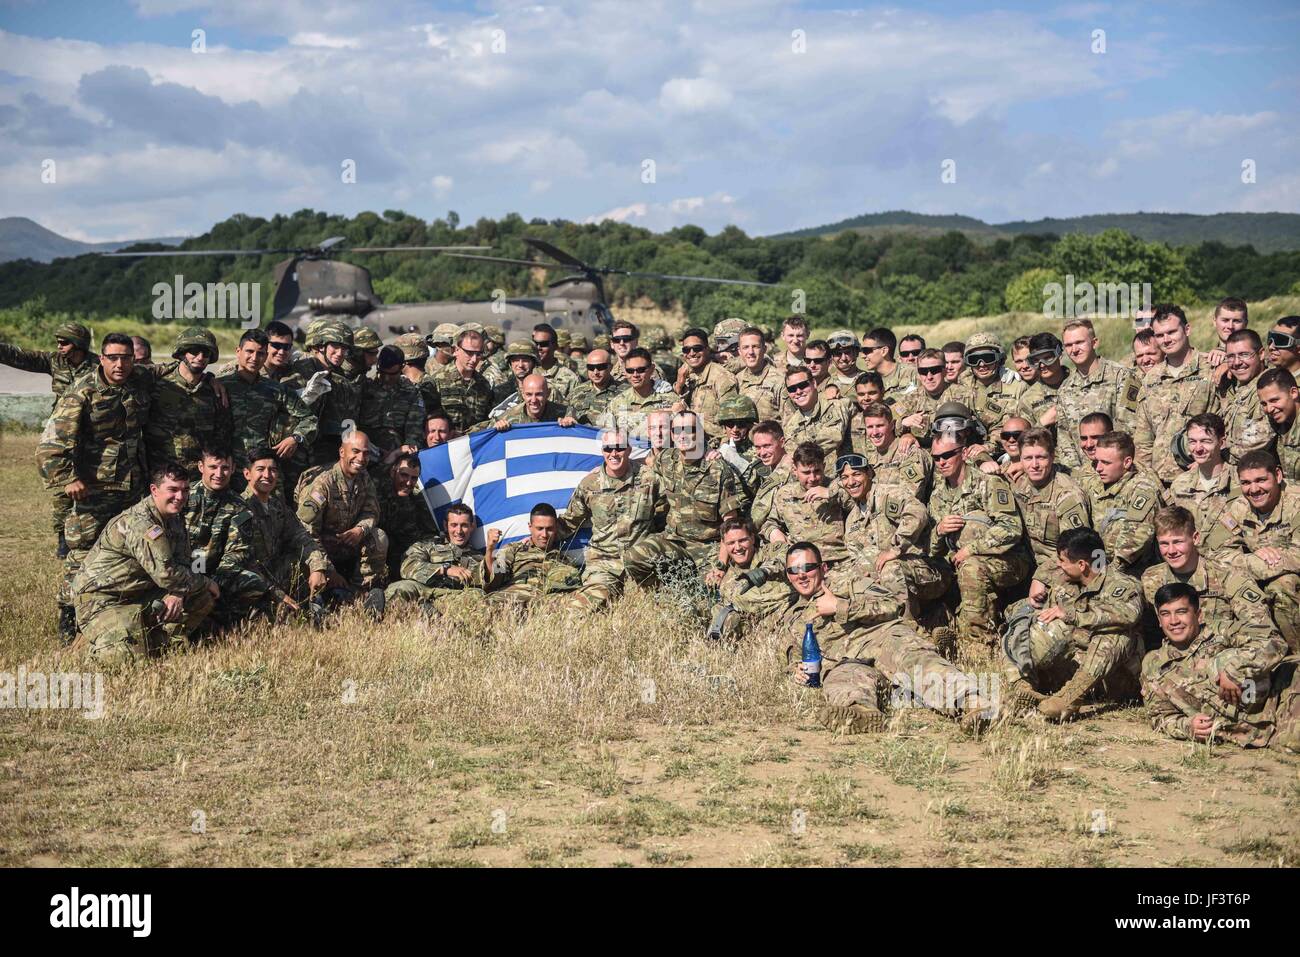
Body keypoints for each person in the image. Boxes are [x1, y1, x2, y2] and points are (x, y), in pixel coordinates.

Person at [778, 542, 997, 734]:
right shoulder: (793, 616)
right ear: (788, 575)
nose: (801, 575)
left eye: (808, 567)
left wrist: (840, 606)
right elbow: (794, 655)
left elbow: (892, 605)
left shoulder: (848, 584)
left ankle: (975, 704)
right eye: (794, 570)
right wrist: (796, 669)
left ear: (823, 568)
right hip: (847, 661)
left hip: (883, 640)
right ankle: (862, 714)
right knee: (840, 682)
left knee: (917, 665)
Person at [37, 332, 152, 640]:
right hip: (95, 490)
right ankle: (69, 618)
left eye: (126, 358)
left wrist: (213, 381)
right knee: (82, 554)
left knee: (129, 551)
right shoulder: (82, 392)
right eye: (113, 358)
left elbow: (174, 370)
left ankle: (115, 612)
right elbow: (50, 446)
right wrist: (67, 479)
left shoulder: (139, 380)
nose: (120, 364)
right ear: (101, 359)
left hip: (133, 489)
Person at [72, 462, 219, 664]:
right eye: (173, 490)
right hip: (103, 599)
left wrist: (177, 592)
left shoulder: (174, 518)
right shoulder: (141, 524)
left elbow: (183, 561)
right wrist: (203, 581)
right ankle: (87, 647)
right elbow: (167, 574)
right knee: (128, 661)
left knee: (203, 597)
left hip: (140, 593)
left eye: (185, 490)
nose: (180, 497)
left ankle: (159, 642)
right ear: (154, 490)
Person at [1000, 528, 1143, 721]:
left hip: (1113, 678)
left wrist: (1072, 615)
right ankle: (1023, 688)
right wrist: (1030, 607)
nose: (1058, 566)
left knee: (1118, 634)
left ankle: (1069, 699)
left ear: (1082, 565)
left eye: (1062, 561)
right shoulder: (1064, 583)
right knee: (1018, 628)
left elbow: (1127, 615)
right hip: (1068, 668)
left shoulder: (1123, 585)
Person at [1141, 583, 1297, 752]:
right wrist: (1187, 726)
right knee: (1292, 743)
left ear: (1198, 615)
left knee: (1224, 659)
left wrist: (1234, 670)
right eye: (1165, 614)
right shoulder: (1154, 664)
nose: (1174, 621)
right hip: (1243, 732)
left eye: (1181, 612)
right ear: (1159, 620)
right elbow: (1160, 717)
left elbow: (1274, 642)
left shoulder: (1222, 630)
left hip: (1280, 702)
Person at [927, 430, 1030, 652]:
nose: (942, 462)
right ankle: (942, 628)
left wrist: (972, 549)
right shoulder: (937, 496)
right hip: (957, 562)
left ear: (963, 453)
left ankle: (979, 643)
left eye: (947, 455)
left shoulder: (989, 484)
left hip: (1009, 560)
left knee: (972, 567)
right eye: (936, 458)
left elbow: (1011, 528)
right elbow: (932, 548)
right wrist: (939, 530)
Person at [0, 321, 97, 553]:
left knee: (92, 483)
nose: (59, 346)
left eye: (64, 342)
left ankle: (91, 535)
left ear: (79, 344)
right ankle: (63, 538)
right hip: (63, 434)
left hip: (93, 432)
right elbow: (19, 356)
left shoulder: (97, 365)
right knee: (62, 484)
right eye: (58, 342)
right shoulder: (55, 361)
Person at [624, 411, 742, 584]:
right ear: (672, 434)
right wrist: (603, 467)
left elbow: (730, 524)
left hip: (707, 548)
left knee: (709, 590)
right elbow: (643, 463)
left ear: (700, 433)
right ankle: (665, 591)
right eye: (678, 430)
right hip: (673, 541)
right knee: (633, 558)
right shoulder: (667, 459)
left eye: (690, 430)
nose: (683, 435)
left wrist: (720, 566)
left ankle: (688, 585)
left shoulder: (718, 470)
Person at [218, 448, 332, 625]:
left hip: (275, 574)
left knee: (303, 559)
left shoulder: (276, 506)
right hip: (253, 583)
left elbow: (301, 537)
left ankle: (314, 610)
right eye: (261, 469)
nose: (267, 475)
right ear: (247, 474)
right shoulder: (240, 510)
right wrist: (277, 594)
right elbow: (241, 563)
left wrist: (318, 567)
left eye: (272, 470)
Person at [835, 452, 948, 626]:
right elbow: (856, 558)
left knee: (890, 568)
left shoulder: (887, 494)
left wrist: (895, 549)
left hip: (928, 570)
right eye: (845, 477)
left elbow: (917, 513)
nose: (851, 482)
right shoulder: (852, 520)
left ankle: (911, 631)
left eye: (857, 474)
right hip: (888, 581)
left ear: (870, 473)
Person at [1141, 506, 1274, 651]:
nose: (1171, 551)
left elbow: (1259, 626)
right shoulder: (1151, 579)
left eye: (1178, 542)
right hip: (1177, 661)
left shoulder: (1226, 574)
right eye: (1164, 544)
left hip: (1221, 655)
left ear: (1195, 538)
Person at [1213, 450, 1300, 653]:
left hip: (1290, 583)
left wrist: (1251, 564)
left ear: (1277, 475)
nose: (1254, 489)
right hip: (1259, 574)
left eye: (1261, 480)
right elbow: (1217, 553)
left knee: (1282, 585)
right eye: (1245, 483)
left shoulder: (1296, 503)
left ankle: (1295, 657)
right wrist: (1251, 559)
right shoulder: (1239, 507)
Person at [558, 430, 654, 612]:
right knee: (585, 607)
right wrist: (534, 539)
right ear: (602, 451)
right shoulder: (590, 484)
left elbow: (669, 508)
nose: (613, 453)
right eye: (608, 449)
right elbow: (569, 522)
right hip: (604, 563)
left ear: (629, 450)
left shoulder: (649, 478)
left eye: (619, 448)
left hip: (641, 561)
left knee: (662, 605)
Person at [295, 430, 388, 615]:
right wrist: (328, 569)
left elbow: (371, 510)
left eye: (366, 452)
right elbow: (306, 533)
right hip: (318, 550)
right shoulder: (322, 484)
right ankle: (316, 600)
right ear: (342, 452)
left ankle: (358, 595)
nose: (361, 458)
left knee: (378, 537)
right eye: (355, 451)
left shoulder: (364, 477)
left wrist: (360, 530)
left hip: (346, 545)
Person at [217, 328, 316, 478]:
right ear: (238, 351)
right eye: (249, 351)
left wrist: (296, 438)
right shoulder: (220, 386)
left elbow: (309, 419)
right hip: (227, 470)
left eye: (261, 353)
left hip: (264, 471)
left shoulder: (276, 390)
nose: (254, 358)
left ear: (266, 355)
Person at [1134, 305, 1214, 486]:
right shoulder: (1151, 379)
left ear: (1187, 329)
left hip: (1201, 479)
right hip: (1160, 481)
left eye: (1171, 332)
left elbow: (1224, 424)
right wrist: (1147, 480)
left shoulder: (1210, 369)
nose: (1166, 339)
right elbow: (1143, 440)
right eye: (1160, 335)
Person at [1011, 428, 1091, 609]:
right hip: (1026, 560)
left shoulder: (1067, 494)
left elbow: (1074, 549)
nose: (1034, 465)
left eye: (1041, 457)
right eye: (1028, 458)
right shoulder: (1019, 483)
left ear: (1053, 457)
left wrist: (1042, 577)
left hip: (1061, 567)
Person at [144, 327, 234, 476]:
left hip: (197, 477)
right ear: (181, 352)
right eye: (194, 351)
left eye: (205, 353)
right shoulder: (157, 384)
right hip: (160, 474)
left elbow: (222, 436)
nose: (200, 357)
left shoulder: (215, 392)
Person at [1055, 319, 1142, 470]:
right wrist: (1077, 475)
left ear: (1094, 343)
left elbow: (1128, 429)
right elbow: (1065, 439)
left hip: (1116, 470)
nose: (1074, 349)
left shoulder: (1121, 377)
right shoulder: (1065, 389)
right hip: (1082, 476)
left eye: (1080, 342)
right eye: (1068, 345)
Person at [762, 441, 852, 564]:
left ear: (824, 466)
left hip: (839, 561)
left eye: (817, 471)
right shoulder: (785, 494)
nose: (812, 478)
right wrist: (774, 533)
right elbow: (770, 523)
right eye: (806, 473)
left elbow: (859, 506)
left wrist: (831, 493)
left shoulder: (838, 486)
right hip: (803, 564)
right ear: (795, 470)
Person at [1087, 431, 1161, 576]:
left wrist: (1109, 575)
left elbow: (1136, 538)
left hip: (1132, 573)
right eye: (1097, 461)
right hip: (1101, 566)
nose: (1098, 468)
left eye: (1106, 463)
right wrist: (1096, 570)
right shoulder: (1096, 483)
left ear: (1126, 462)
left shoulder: (1142, 489)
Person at [384, 503, 485, 609]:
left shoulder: (477, 557)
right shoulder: (427, 545)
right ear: (446, 525)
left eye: (464, 525)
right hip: (422, 589)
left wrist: (491, 548)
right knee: (400, 587)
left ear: (472, 527)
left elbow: (483, 581)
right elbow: (407, 567)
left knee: (476, 595)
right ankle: (375, 611)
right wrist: (445, 569)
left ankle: (430, 610)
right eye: (454, 525)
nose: (459, 531)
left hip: (451, 596)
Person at [292, 320, 362, 468]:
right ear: (321, 346)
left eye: (345, 349)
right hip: (298, 450)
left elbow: (347, 422)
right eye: (335, 346)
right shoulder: (301, 371)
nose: (340, 353)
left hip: (326, 453)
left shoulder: (341, 379)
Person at [1165, 414, 1240, 549]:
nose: (1198, 449)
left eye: (1205, 441)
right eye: (1192, 442)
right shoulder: (1179, 485)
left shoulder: (1239, 483)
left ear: (1222, 443)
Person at [482, 503, 582, 604]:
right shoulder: (512, 549)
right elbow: (495, 578)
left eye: (549, 529)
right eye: (540, 529)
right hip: (513, 599)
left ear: (556, 528)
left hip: (547, 604)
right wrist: (490, 549)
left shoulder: (564, 559)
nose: (544, 535)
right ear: (530, 527)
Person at [374, 451, 440, 582]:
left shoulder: (414, 501)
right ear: (393, 472)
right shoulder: (377, 489)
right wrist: (396, 453)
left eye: (414, 478)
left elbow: (419, 536)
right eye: (404, 475)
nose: (409, 483)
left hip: (398, 554)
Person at [358, 345, 426, 471]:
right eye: (383, 373)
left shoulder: (411, 392)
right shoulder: (366, 387)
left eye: (392, 374)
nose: (387, 378)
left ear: (402, 367)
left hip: (395, 455)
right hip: (365, 450)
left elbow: (415, 427)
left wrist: (404, 451)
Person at [855, 401, 933, 500]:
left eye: (880, 426)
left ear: (892, 425)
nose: (874, 432)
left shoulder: (909, 452)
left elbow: (910, 494)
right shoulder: (870, 457)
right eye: (870, 427)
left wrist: (869, 496)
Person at [893, 349, 972, 445]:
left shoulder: (966, 395)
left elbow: (993, 423)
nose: (929, 376)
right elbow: (884, 425)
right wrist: (903, 424)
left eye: (935, 370)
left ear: (944, 371)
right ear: (918, 374)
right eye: (923, 371)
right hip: (922, 455)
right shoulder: (910, 399)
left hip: (957, 453)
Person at [673, 326, 739, 441]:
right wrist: (679, 385)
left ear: (707, 349)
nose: (692, 353)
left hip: (714, 445)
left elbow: (731, 423)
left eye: (697, 348)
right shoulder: (686, 376)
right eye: (686, 350)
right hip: (688, 442)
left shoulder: (721, 377)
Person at [1217, 329, 1272, 461]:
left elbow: (1260, 439)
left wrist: (1215, 455)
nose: (1236, 362)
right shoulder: (1233, 387)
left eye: (1244, 354)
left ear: (1261, 354)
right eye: (1230, 356)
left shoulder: (1269, 387)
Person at [781, 364, 852, 467]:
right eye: (792, 389)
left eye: (802, 385)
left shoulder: (833, 404)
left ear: (814, 383)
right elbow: (793, 460)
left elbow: (833, 437)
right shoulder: (791, 425)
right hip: (810, 477)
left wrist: (802, 456)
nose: (798, 392)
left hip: (843, 475)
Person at [603, 347, 679, 441]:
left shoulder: (671, 400)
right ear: (625, 372)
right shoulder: (616, 403)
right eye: (630, 370)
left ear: (651, 369)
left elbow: (687, 430)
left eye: (641, 370)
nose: (635, 375)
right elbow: (605, 436)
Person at [961, 333, 1025, 437]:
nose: (981, 364)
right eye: (974, 360)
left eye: (988, 358)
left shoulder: (1016, 386)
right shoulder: (962, 385)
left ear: (999, 359)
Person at [433, 328, 494, 433]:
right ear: (455, 350)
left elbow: (487, 419)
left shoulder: (484, 385)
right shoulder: (437, 381)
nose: (474, 359)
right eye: (469, 353)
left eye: (478, 354)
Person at [1257, 367, 1300, 481]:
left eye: (1274, 400)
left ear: (1293, 393)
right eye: (1264, 404)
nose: (1269, 409)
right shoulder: (1276, 422)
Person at [735, 325, 785, 422]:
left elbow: (789, 420)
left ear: (764, 349)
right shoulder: (736, 380)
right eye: (745, 347)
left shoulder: (780, 380)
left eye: (755, 347)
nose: (750, 352)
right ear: (739, 351)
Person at [494, 373, 575, 430]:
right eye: (529, 394)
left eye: (538, 394)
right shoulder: (507, 418)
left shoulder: (565, 413)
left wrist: (573, 425)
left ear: (548, 393)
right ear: (523, 394)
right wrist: (497, 426)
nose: (533, 400)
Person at [567, 348, 625, 424]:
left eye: (600, 367)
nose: (595, 372)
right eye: (591, 367)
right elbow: (567, 417)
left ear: (610, 367)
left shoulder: (625, 392)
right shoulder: (576, 392)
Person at [861, 327, 917, 402]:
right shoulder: (869, 381)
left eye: (867, 351)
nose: (863, 356)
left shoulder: (911, 373)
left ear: (884, 351)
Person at [530, 323, 581, 403]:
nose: (538, 348)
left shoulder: (570, 378)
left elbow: (576, 408)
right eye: (535, 344)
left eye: (544, 344)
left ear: (555, 346)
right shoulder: (527, 373)